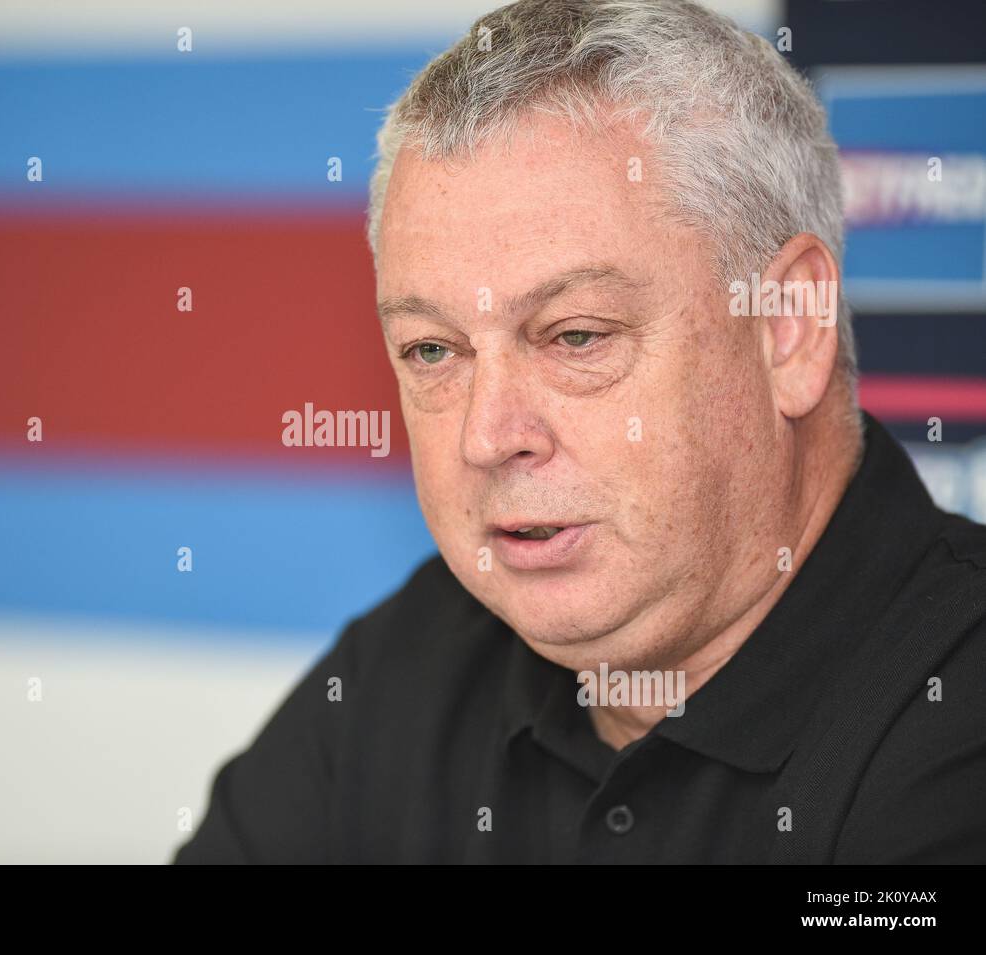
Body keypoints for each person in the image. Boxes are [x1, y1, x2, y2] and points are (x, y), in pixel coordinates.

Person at [173, 0, 986, 863]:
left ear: (786, 326)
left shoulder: (961, 721)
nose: (487, 436)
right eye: (433, 349)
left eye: (575, 336)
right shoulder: (404, 667)